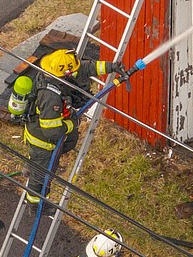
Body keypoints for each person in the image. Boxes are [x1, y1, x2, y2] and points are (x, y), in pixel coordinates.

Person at [22, 49, 125, 208]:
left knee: (62, 148)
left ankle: (32, 165)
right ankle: (37, 205)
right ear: (65, 74)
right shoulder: (50, 96)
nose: (76, 73)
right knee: (42, 176)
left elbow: (86, 68)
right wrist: (72, 123)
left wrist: (112, 67)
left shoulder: (56, 73)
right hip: (43, 140)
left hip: (50, 131)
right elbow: (52, 131)